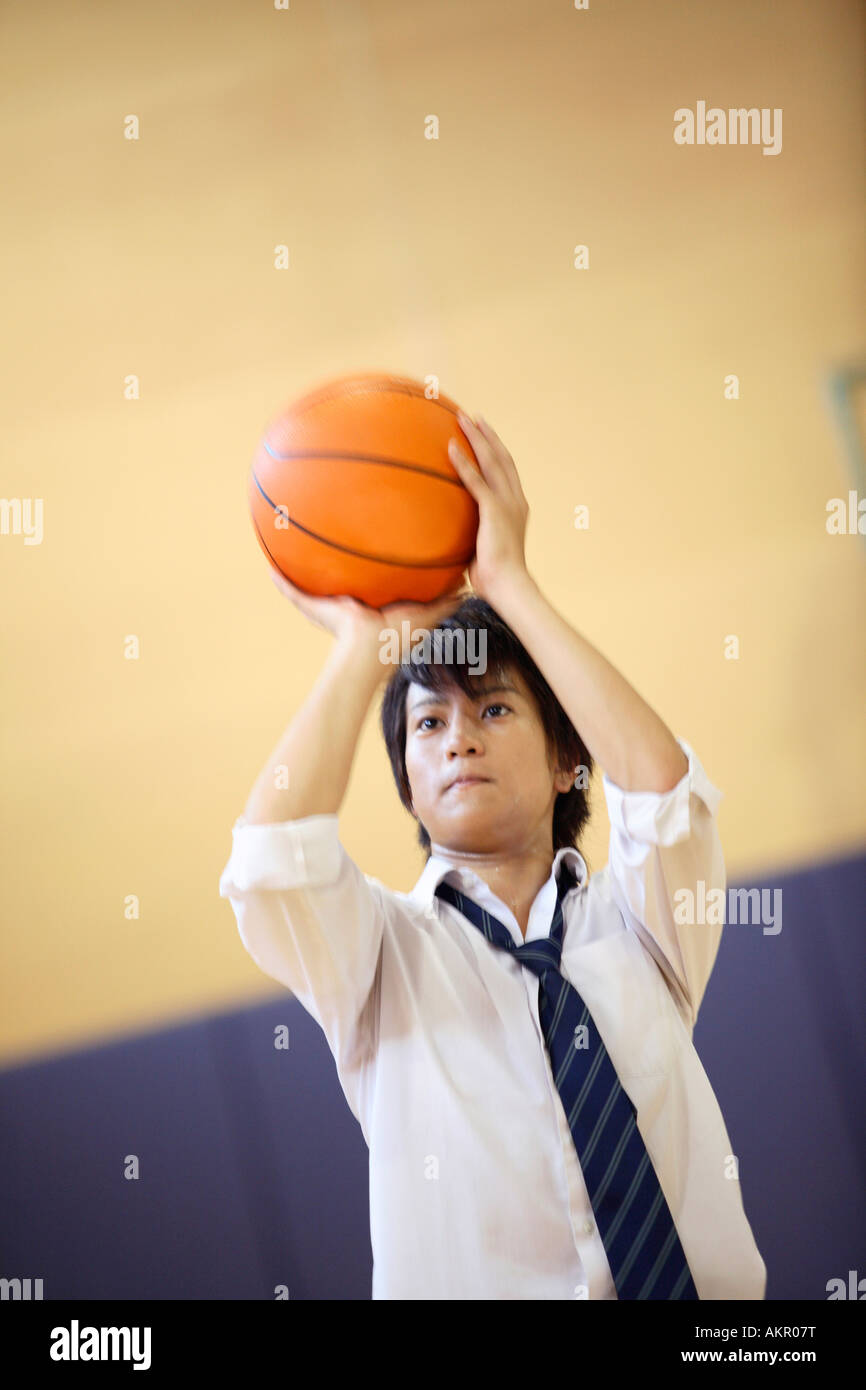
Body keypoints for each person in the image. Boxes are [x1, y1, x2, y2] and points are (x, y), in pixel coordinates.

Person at [219, 411, 767, 1300]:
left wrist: (508, 584)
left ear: (564, 763)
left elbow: (664, 796)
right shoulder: (380, 957)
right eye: (427, 724)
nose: (458, 738)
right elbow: (273, 858)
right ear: (408, 786)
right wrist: (366, 647)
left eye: (495, 710)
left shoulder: (642, 926)